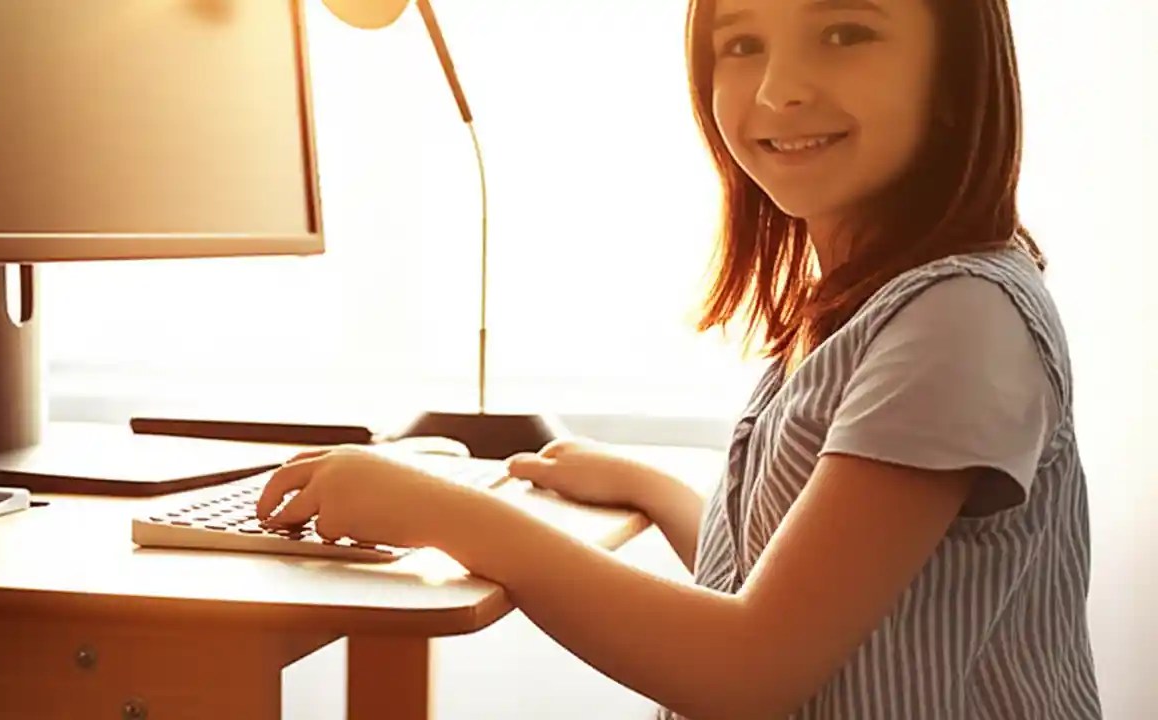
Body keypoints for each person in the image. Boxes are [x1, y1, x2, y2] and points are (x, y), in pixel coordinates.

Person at [256, 0, 1103, 716]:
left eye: (845, 33)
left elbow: (750, 667)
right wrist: (651, 490)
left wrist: (441, 512)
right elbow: (794, 583)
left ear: (955, 74)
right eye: (741, 45)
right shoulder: (868, 308)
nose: (778, 89)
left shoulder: (959, 321)